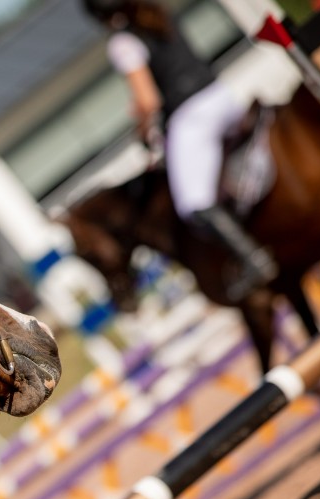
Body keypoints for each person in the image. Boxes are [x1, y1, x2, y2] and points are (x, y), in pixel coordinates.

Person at [84, 0, 278, 301]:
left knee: (192, 204)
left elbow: (148, 100)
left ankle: (253, 258)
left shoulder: (122, 42)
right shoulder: (156, 14)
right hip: (221, 95)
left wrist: (142, 127)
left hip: (193, 115)